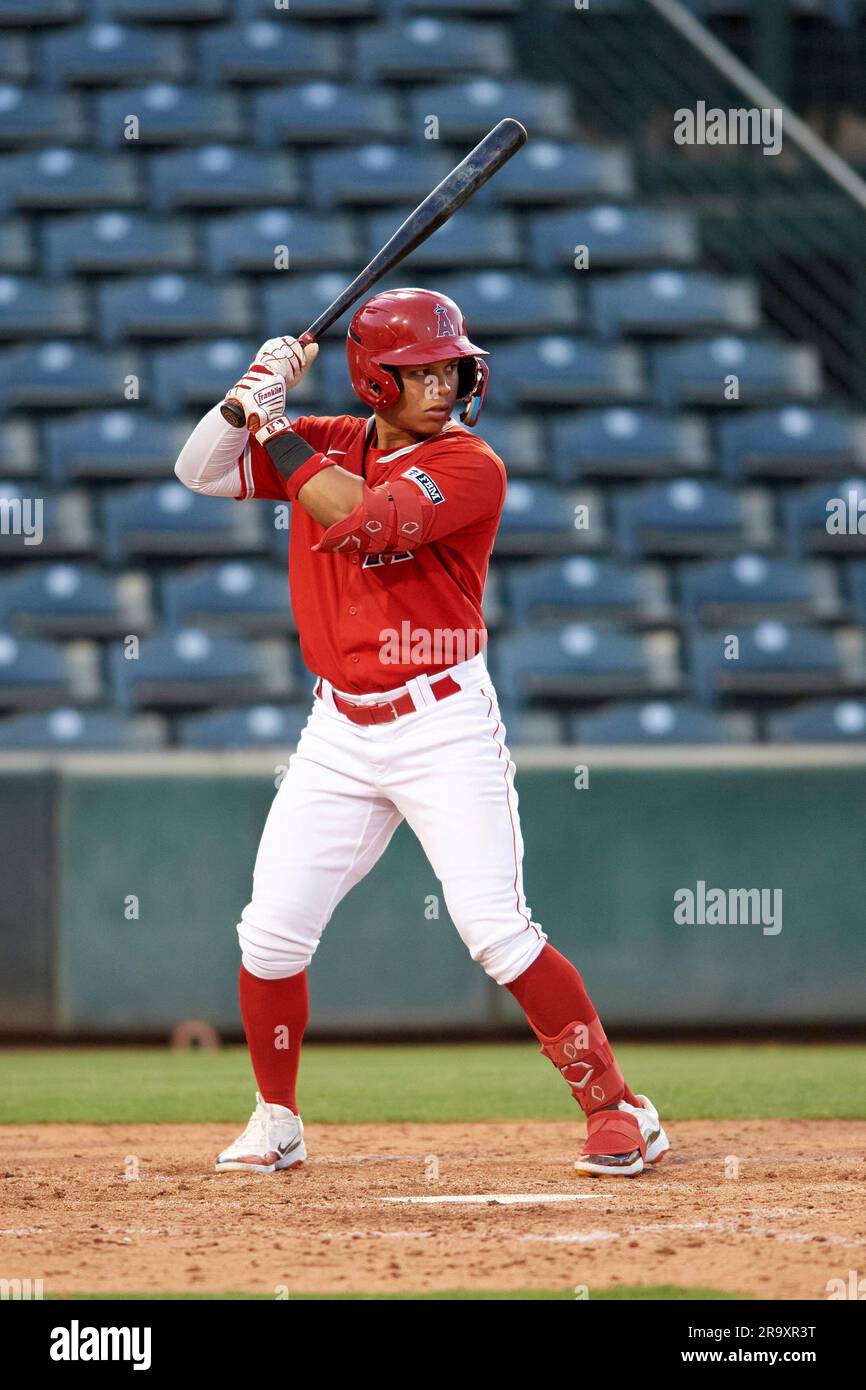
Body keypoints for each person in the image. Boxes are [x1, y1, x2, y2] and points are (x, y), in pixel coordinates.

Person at [173, 287, 669, 1178]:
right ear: (374, 380)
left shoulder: (472, 464)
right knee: (270, 932)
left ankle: (618, 1109)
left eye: (447, 366)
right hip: (339, 726)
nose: (440, 383)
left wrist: (274, 424)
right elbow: (199, 471)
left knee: (495, 930)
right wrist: (242, 396)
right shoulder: (325, 439)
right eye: (417, 371)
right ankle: (276, 1118)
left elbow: (363, 523)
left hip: (442, 721)